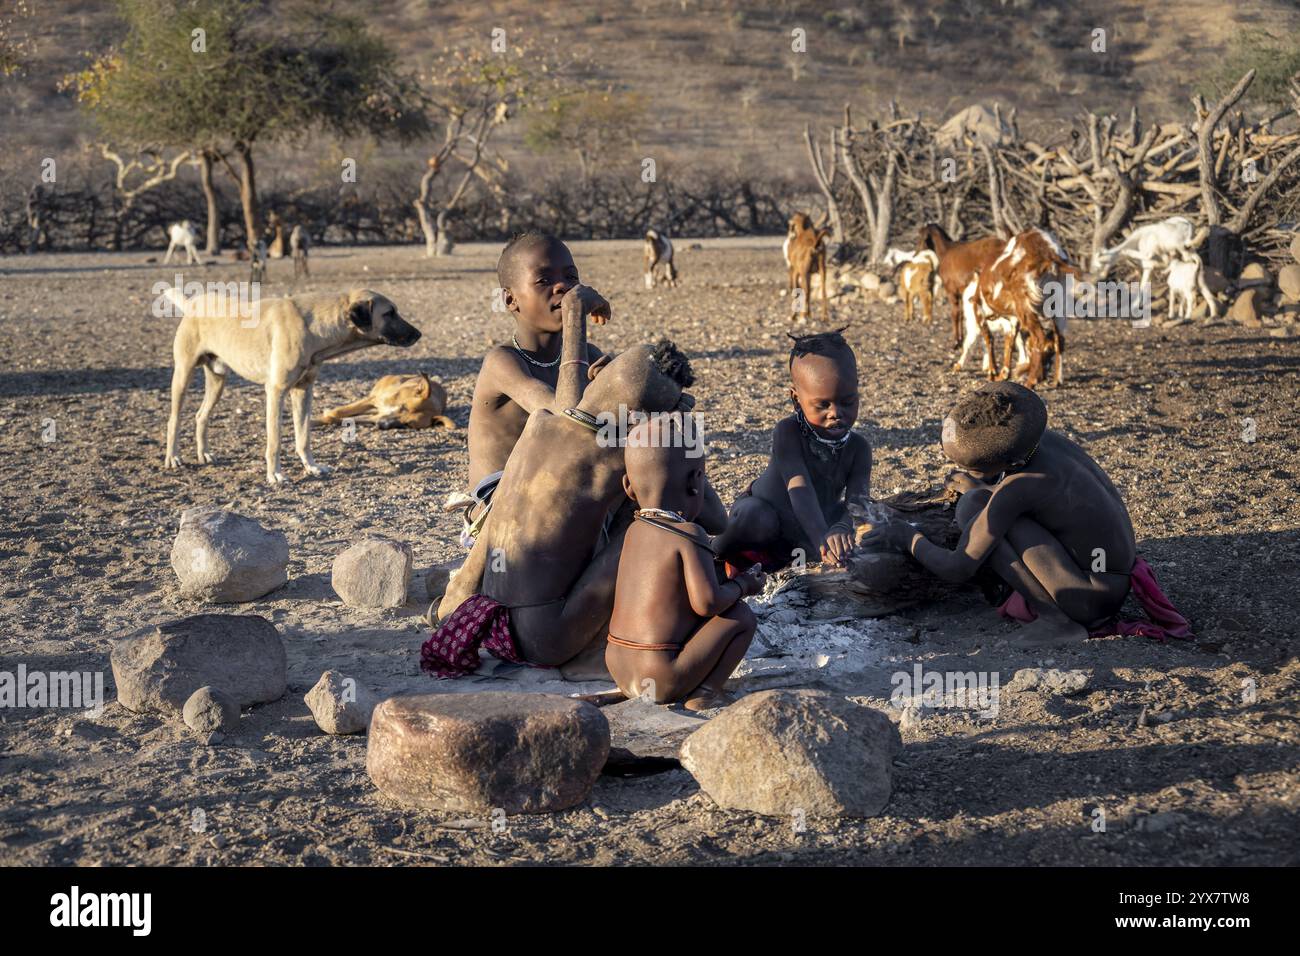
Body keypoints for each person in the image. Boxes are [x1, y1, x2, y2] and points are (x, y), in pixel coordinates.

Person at [862, 381, 1137, 649]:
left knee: (973, 508)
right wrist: (986, 486)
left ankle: (1056, 620)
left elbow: (958, 567)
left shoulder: (1020, 486)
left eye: (971, 467)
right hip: (1106, 574)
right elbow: (1049, 501)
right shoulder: (1042, 444)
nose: (961, 469)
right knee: (978, 500)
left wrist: (906, 535)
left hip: (1088, 597)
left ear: (1012, 463)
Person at [606, 419, 764, 711]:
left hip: (617, 665)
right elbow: (707, 603)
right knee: (741, 616)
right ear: (696, 482)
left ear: (628, 487)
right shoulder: (688, 534)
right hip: (660, 676)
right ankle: (704, 694)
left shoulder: (634, 531)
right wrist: (744, 584)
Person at [713, 328, 871, 570]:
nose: (836, 413)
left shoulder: (859, 448)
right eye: (823, 404)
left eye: (847, 402)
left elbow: (858, 499)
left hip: (802, 536)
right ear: (796, 400)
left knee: (869, 518)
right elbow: (800, 491)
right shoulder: (788, 433)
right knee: (754, 517)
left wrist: (841, 528)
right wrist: (823, 540)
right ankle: (714, 554)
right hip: (765, 525)